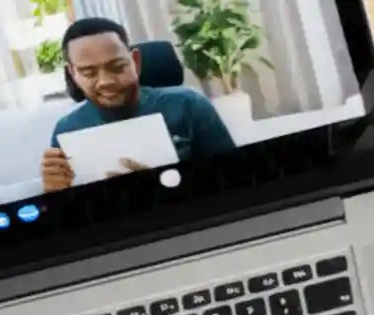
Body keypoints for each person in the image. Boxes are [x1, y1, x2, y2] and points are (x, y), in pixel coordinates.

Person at [41, 18, 235, 192]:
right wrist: (54, 194)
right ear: (73, 74)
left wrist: (164, 185)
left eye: (117, 67)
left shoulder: (189, 105)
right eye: (89, 73)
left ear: (135, 61)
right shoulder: (66, 130)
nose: (105, 81)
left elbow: (237, 179)